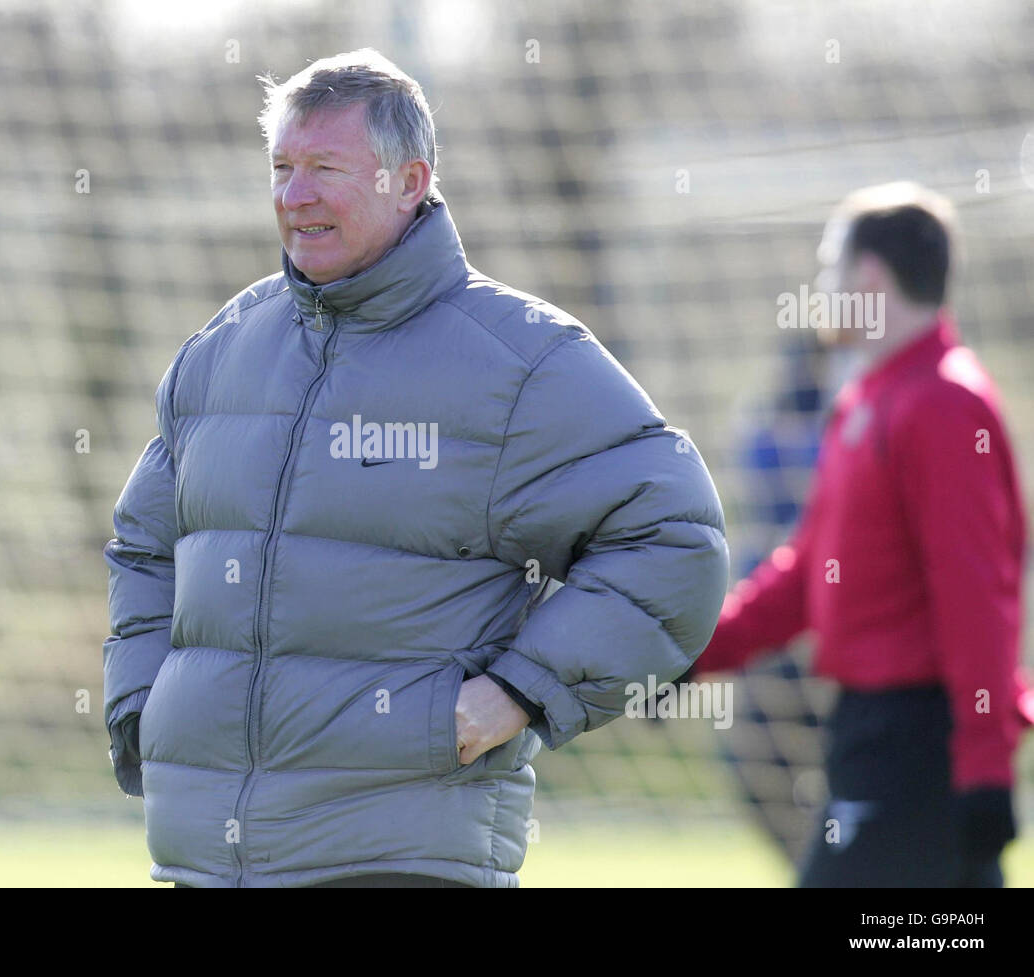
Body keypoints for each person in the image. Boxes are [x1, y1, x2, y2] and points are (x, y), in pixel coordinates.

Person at [101, 48, 729, 888]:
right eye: (282, 167)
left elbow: (675, 537)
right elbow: (146, 546)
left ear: (411, 178)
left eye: (326, 167)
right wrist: (146, 709)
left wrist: (522, 691)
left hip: (403, 858)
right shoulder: (223, 349)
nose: (295, 195)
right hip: (206, 863)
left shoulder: (523, 363)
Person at [690, 182, 1033, 887]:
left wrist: (984, 766)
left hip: (915, 745)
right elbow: (808, 573)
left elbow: (977, 600)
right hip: (867, 734)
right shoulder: (867, 398)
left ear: (869, 277)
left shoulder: (943, 402)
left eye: (829, 268)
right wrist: (697, 651)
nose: (820, 288)